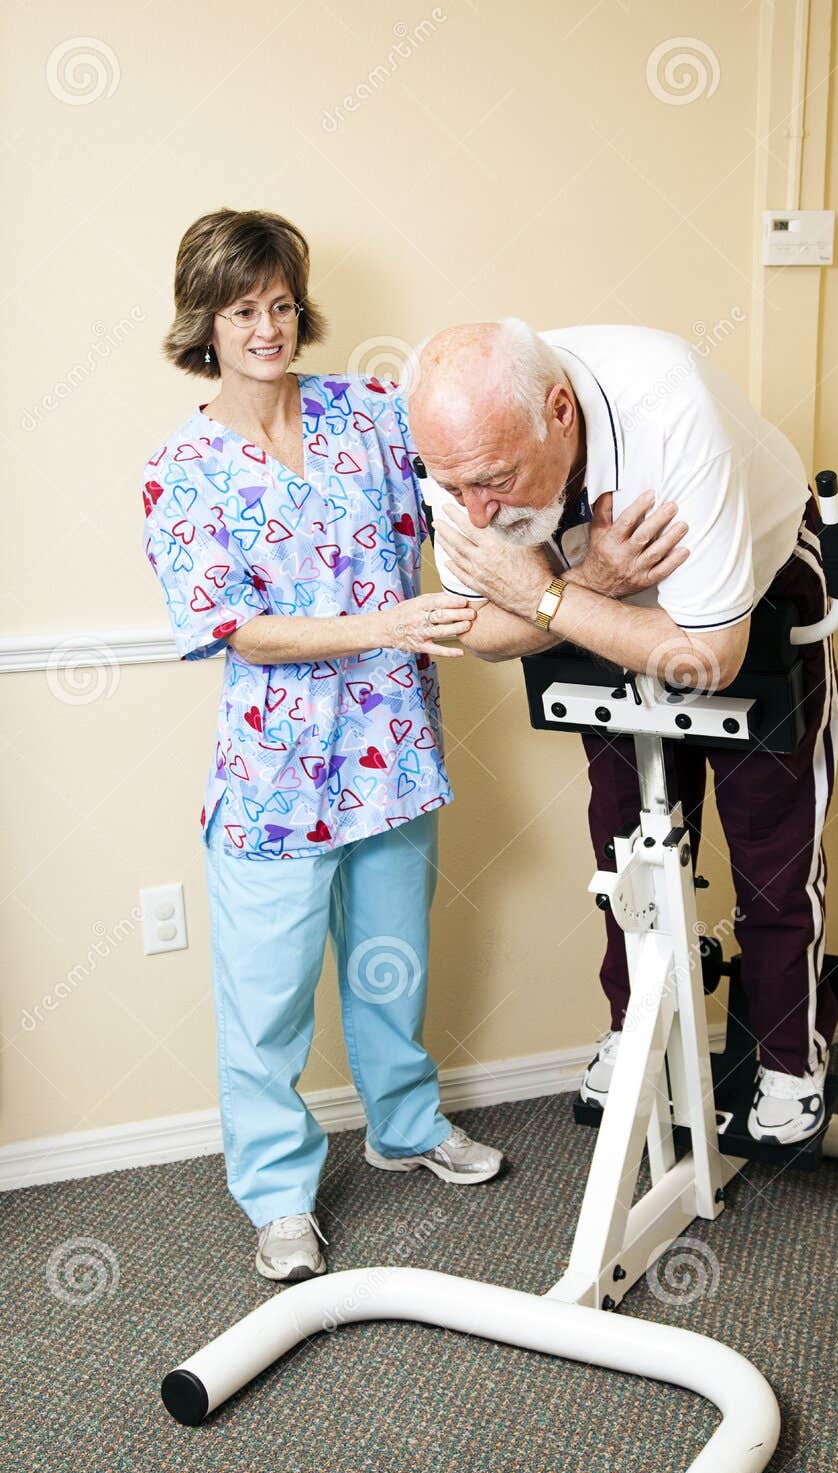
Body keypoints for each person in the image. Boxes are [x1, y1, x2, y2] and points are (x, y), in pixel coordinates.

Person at [142, 209, 504, 1285]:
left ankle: (402, 1123)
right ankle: (277, 1194)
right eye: (243, 309)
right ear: (204, 322)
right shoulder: (182, 469)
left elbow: (462, 503)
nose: (267, 328)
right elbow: (233, 627)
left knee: (392, 970)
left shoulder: (370, 415)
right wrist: (384, 624)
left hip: (390, 755)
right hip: (271, 783)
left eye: (282, 305)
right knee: (265, 1006)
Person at [408, 319, 838, 1145]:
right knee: (625, 844)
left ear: (559, 412)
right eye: (454, 487)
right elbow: (481, 636)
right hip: (604, 594)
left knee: (769, 843)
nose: (476, 511)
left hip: (755, 587)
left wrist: (545, 597)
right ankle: (633, 1027)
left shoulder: (669, 408)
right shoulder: (464, 454)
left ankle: (790, 1061)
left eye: (495, 481)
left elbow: (705, 657)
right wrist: (595, 579)